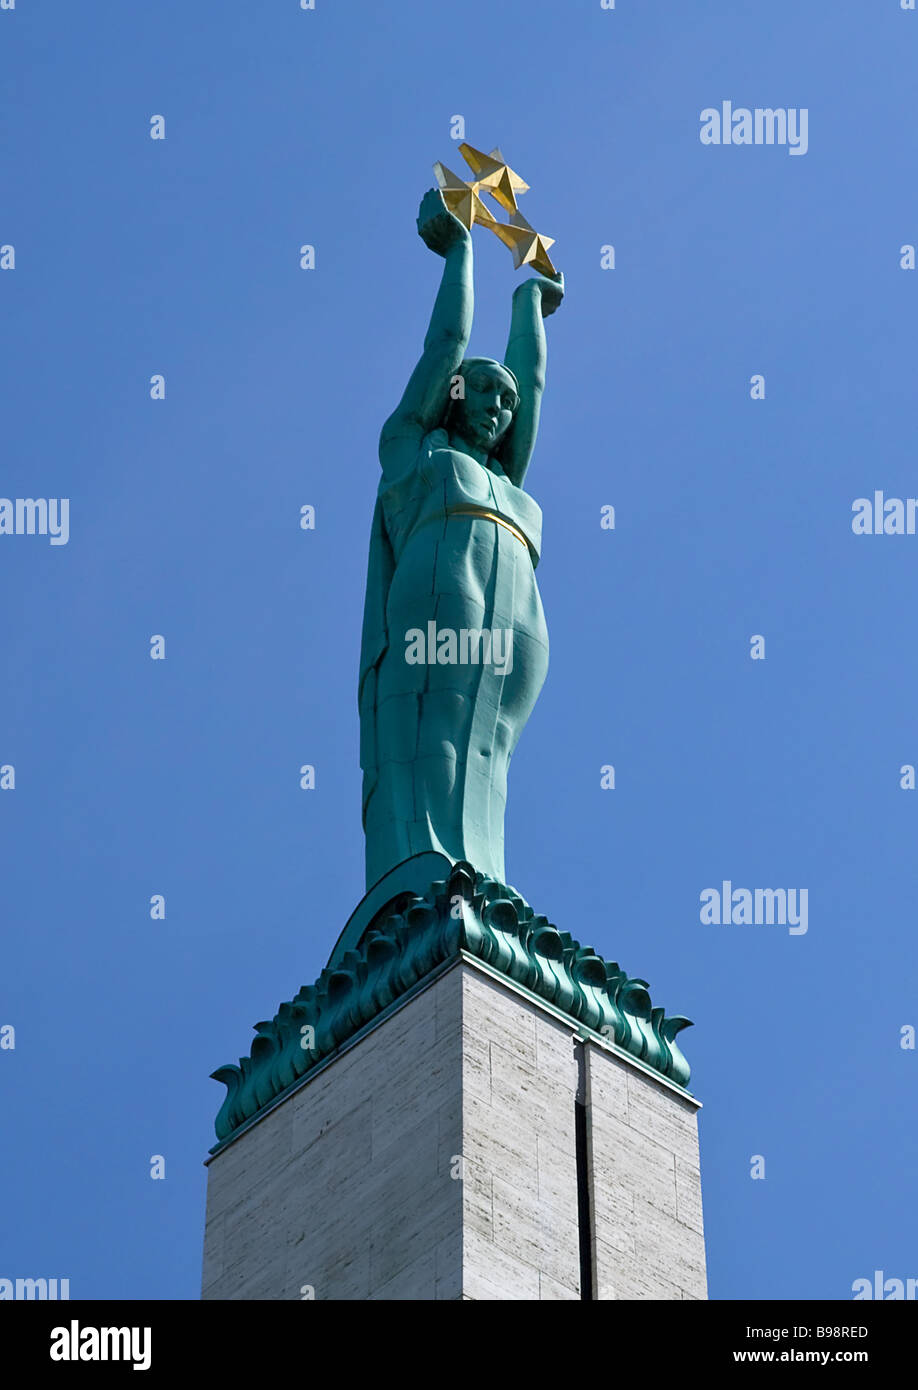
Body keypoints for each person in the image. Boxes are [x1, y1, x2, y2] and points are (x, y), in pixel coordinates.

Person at [358, 186, 563, 891]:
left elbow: (529, 382)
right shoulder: (413, 452)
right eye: (483, 392)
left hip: (518, 608)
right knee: (432, 733)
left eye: (505, 403)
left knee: (492, 748)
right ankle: (425, 876)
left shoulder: (507, 480)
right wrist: (461, 252)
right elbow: (444, 343)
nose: (500, 408)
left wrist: (529, 306)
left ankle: (485, 875)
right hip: (444, 584)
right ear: (452, 395)